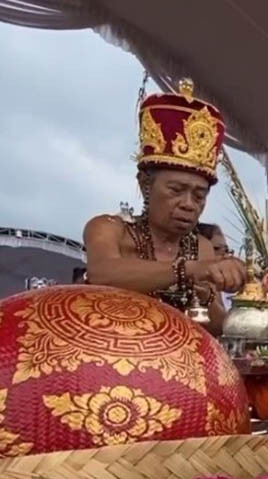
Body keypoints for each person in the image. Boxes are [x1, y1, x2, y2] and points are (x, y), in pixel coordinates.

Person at [83, 78, 246, 335]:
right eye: (176, 190)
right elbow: (102, 273)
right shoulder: (108, 228)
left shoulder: (200, 246)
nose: (189, 205)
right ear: (146, 184)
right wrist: (188, 270)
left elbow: (214, 327)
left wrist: (205, 296)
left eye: (199, 195)